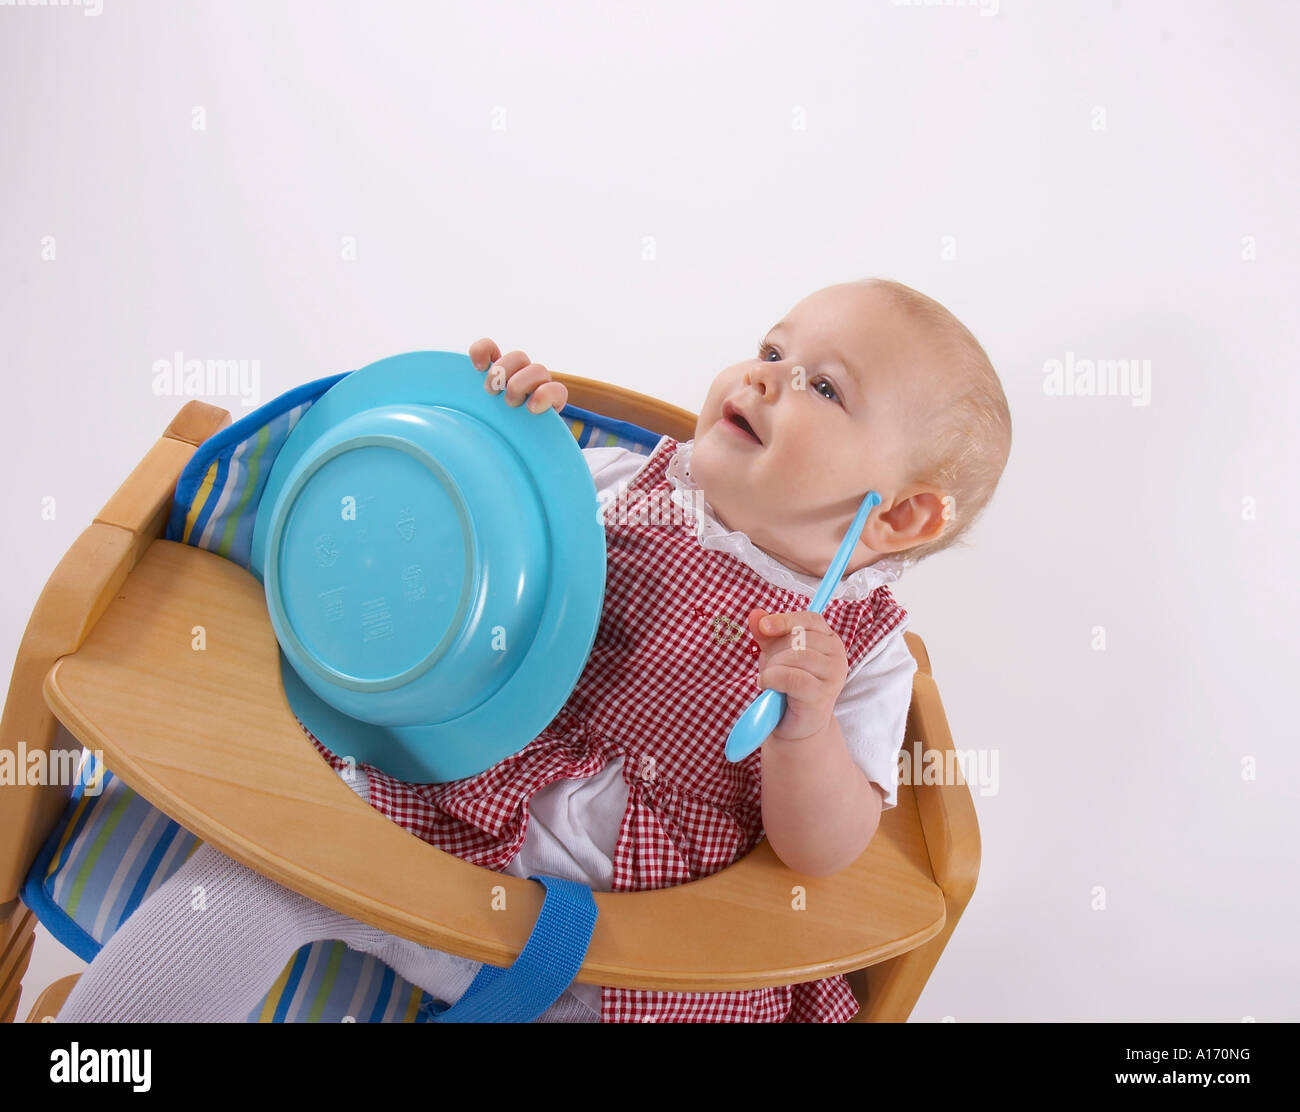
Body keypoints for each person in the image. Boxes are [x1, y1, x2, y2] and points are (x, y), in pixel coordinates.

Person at [57, 277, 1012, 1023]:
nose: (763, 377)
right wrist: (504, 439)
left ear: (902, 517)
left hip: (630, 952)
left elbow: (823, 851)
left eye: (824, 386)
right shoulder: (605, 483)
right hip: (436, 823)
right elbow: (443, 563)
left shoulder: (864, 654)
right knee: (253, 875)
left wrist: (804, 733)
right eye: (772, 348)